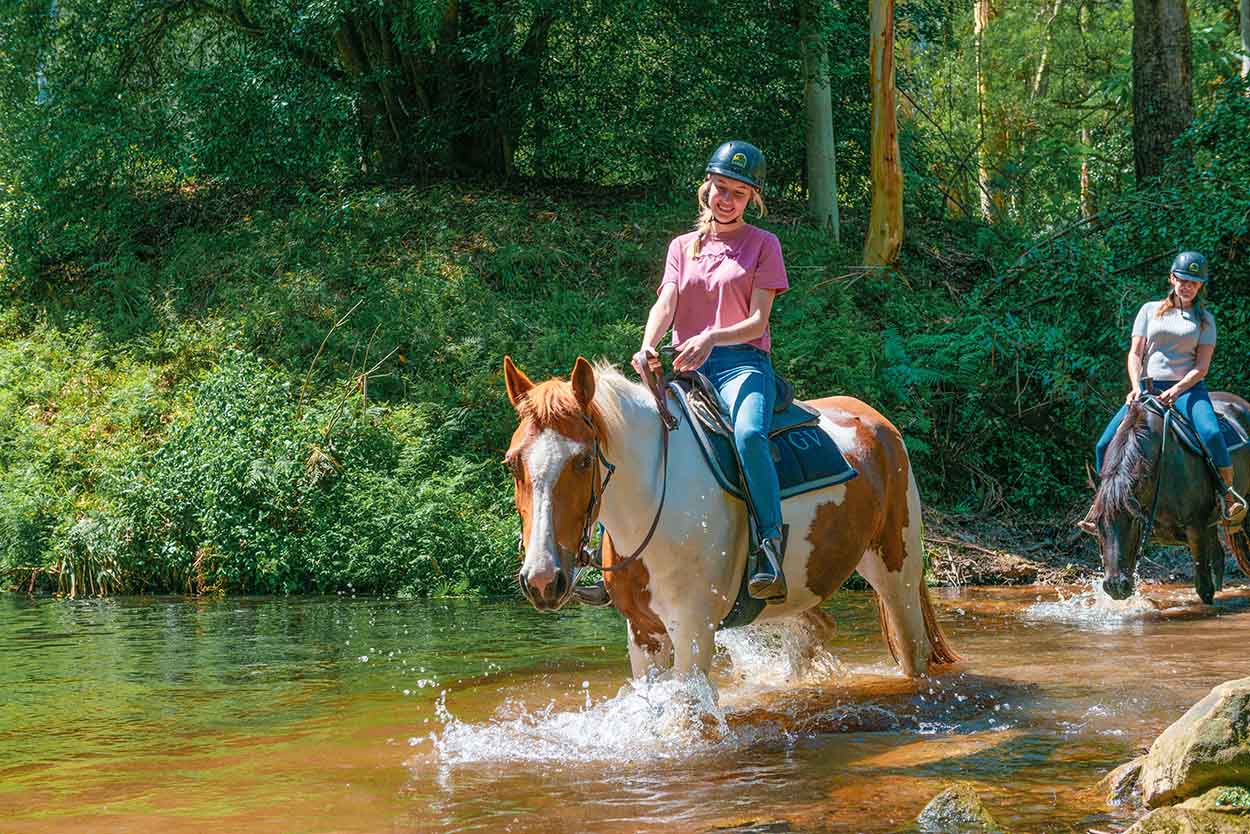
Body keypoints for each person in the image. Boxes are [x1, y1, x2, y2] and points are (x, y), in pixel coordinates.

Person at [630, 140, 791, 603]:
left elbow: (758, 321)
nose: (727, 200)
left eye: (739, 193)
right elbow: (667, 302)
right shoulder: (682, 247)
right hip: (687, 368)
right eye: (721, 188)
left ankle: (769, 547)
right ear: (707, 187)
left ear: (752, 198)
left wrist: (711, 338)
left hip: (743, 364)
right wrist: (647, 344)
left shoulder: (764, 245)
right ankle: (609, 559)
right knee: (628, 433)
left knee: (749, 436)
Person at [1078, 251, 1246, 534]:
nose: (1187, 286)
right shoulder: (1149, 310)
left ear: (1200, 285)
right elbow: (1135, 353)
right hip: (1147, 389)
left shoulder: (1205, 320)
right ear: (1172, 278)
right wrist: (1135, 387)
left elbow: (1201, 367)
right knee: (1104, 445)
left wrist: (1178, 389)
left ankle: (1228, 497)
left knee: (1211, 433)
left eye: (1194, 282)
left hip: (1188, 390)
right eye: (1183, 280)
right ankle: (1102, 505)